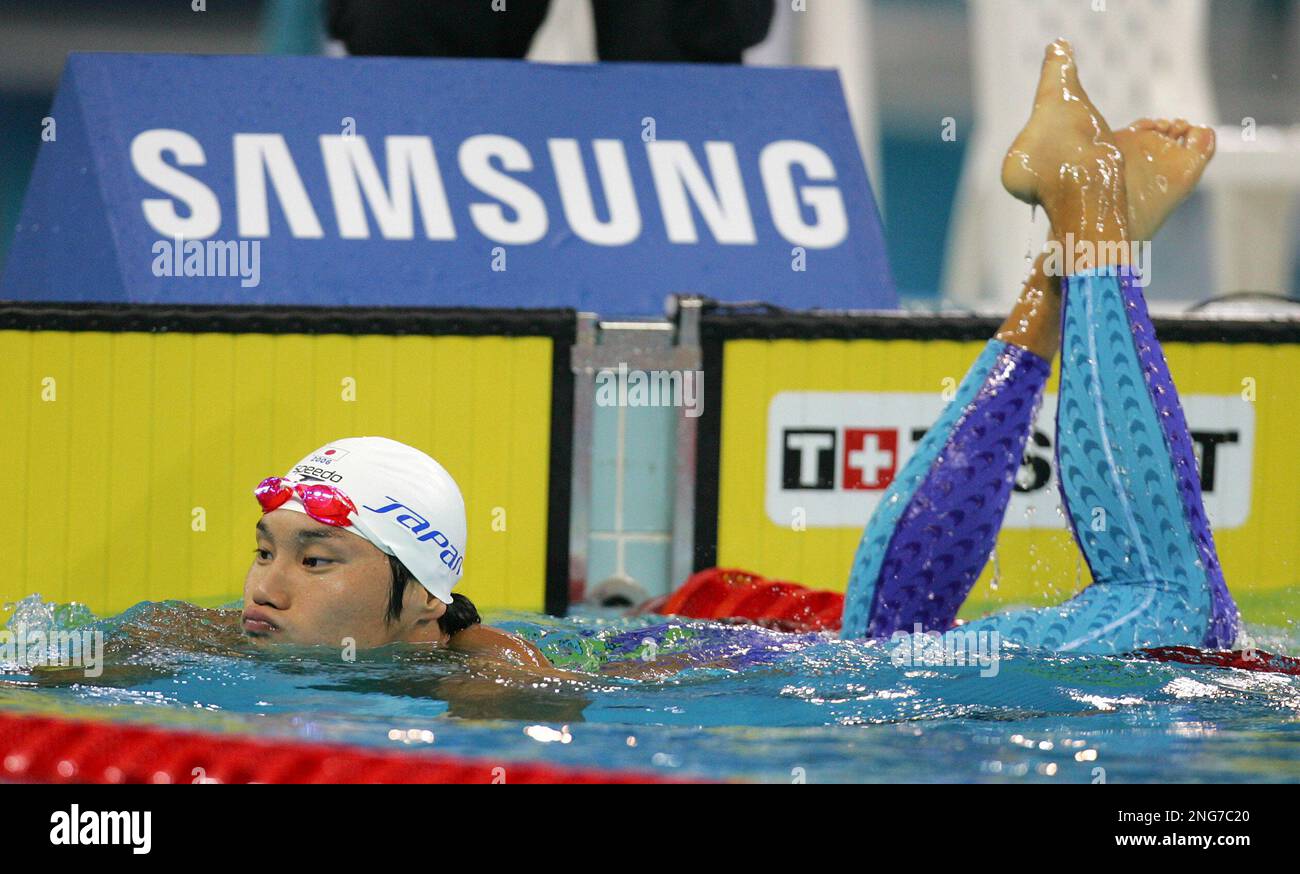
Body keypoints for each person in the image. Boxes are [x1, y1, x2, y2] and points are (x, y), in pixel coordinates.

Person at [841, 40, 1240, 655]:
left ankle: (1081, 226)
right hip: (887, 709)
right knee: (884, 644)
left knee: (883, 648)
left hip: (873, 701)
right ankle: (1084, 223)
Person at [244, 436, 564, 671]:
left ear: (425, 593)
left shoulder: (492, 681)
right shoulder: (240, 635)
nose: (263, 591)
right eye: (265, 553)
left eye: (313, 561)